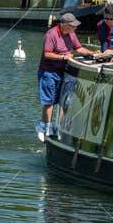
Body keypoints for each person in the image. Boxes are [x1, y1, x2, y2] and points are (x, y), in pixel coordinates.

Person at [37, 13, 82, 141]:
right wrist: (63, 57)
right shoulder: (51, 34)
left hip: (62, 71)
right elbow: (47, 54)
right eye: (73, 26)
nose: (75, 28)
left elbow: (79, 48)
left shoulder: (71, 34)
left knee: (63, 101)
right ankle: (46, 127)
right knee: (49, 102)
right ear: (64, 26)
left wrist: (94, 54)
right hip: (48, 72)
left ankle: (59, 127)